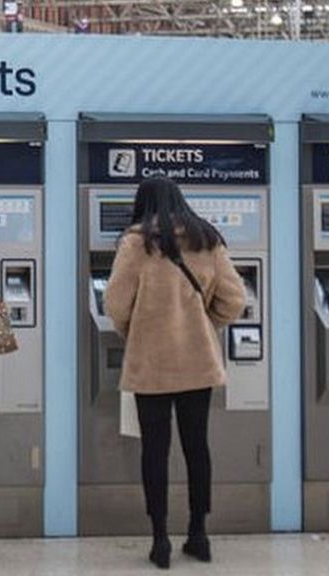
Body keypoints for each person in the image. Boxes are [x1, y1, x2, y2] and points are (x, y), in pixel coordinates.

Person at [104, 177, 245, 570]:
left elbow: (115, 302)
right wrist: (204, 325)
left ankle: (160, 539)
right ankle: (199, 533)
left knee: (155, 450)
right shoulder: (206, 238)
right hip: (198, 363)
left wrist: (134, 331)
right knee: (196, 447)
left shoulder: (136, 242)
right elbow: (235, 300)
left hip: (151, 364)